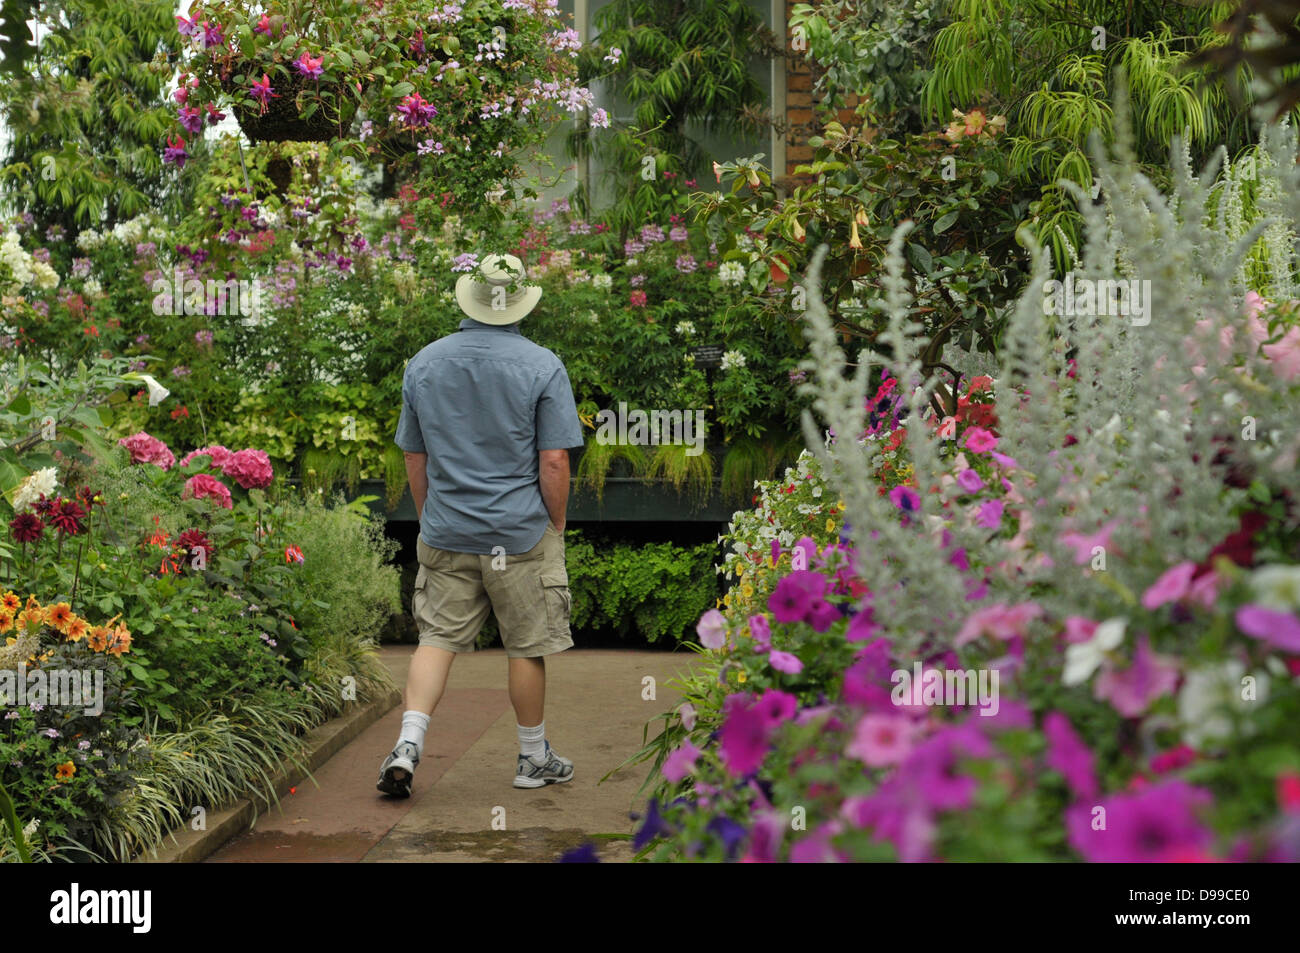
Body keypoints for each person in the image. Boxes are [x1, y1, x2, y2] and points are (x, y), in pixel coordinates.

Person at [377, 252, 585, 798]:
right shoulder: (542, 365)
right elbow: (554, 461)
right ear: (518, 304)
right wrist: (556, 522)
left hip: (448, 529)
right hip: (517, 533)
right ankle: (532, 757)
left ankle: (407, 745)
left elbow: (414, 458)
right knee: (525, 645)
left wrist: (431, 519)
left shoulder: (424, 363)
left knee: (437, 637)